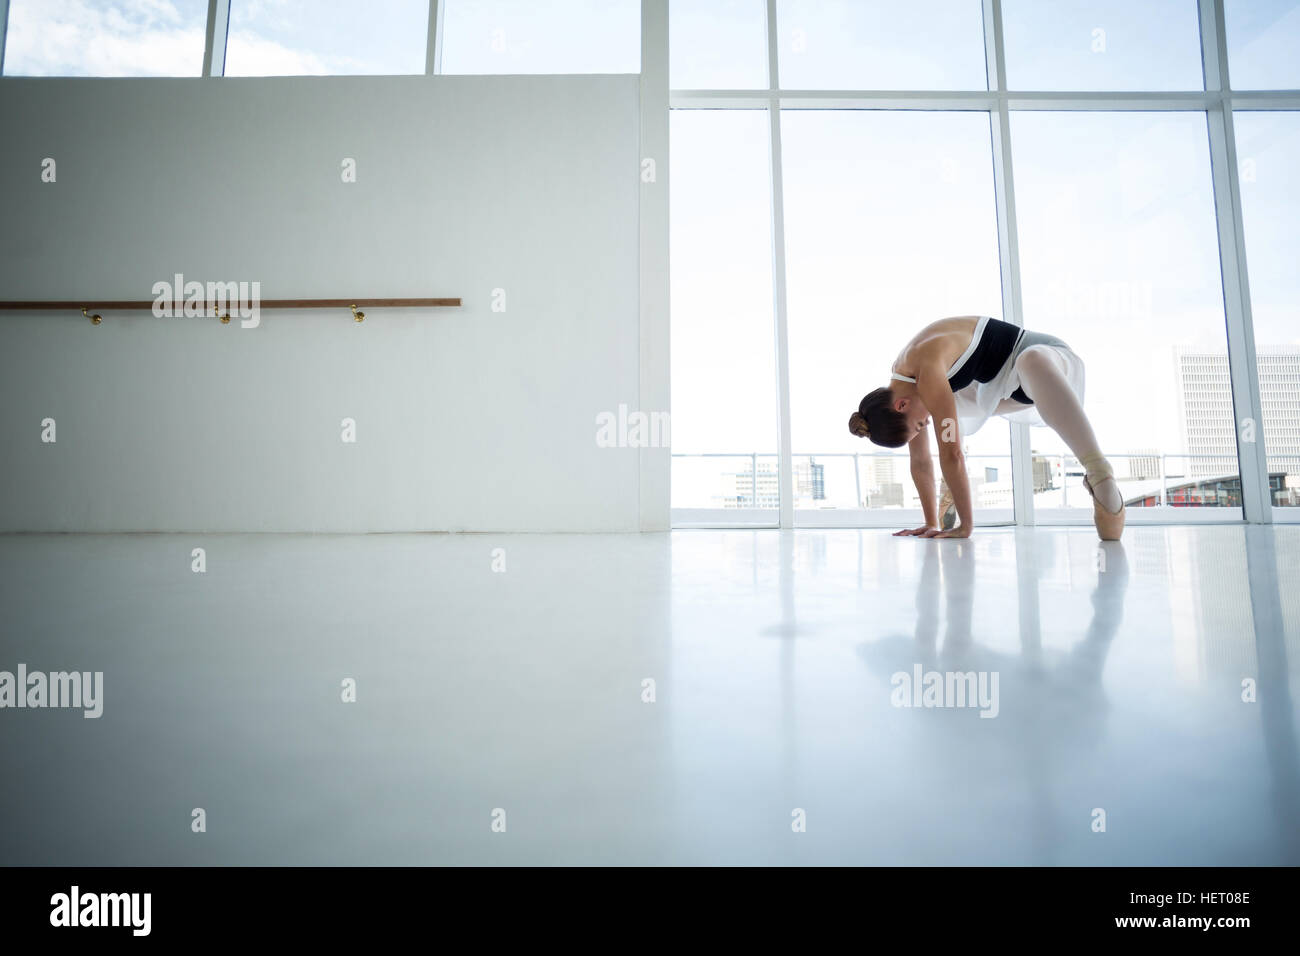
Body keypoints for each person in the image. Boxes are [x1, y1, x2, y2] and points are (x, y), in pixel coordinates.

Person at [848, 315, 1124, 540]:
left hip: (1049, 364)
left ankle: (1099, 472)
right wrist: (931, 522)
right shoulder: (904, 386)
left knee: (1030, 360)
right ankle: (952, 487)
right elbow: (920, 461)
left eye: (919, 425)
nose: (925, 425)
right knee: (947, 410)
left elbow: (951, 453)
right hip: (1001, 389)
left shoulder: (926, 370)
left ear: (902, 406)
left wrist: (966, 527)